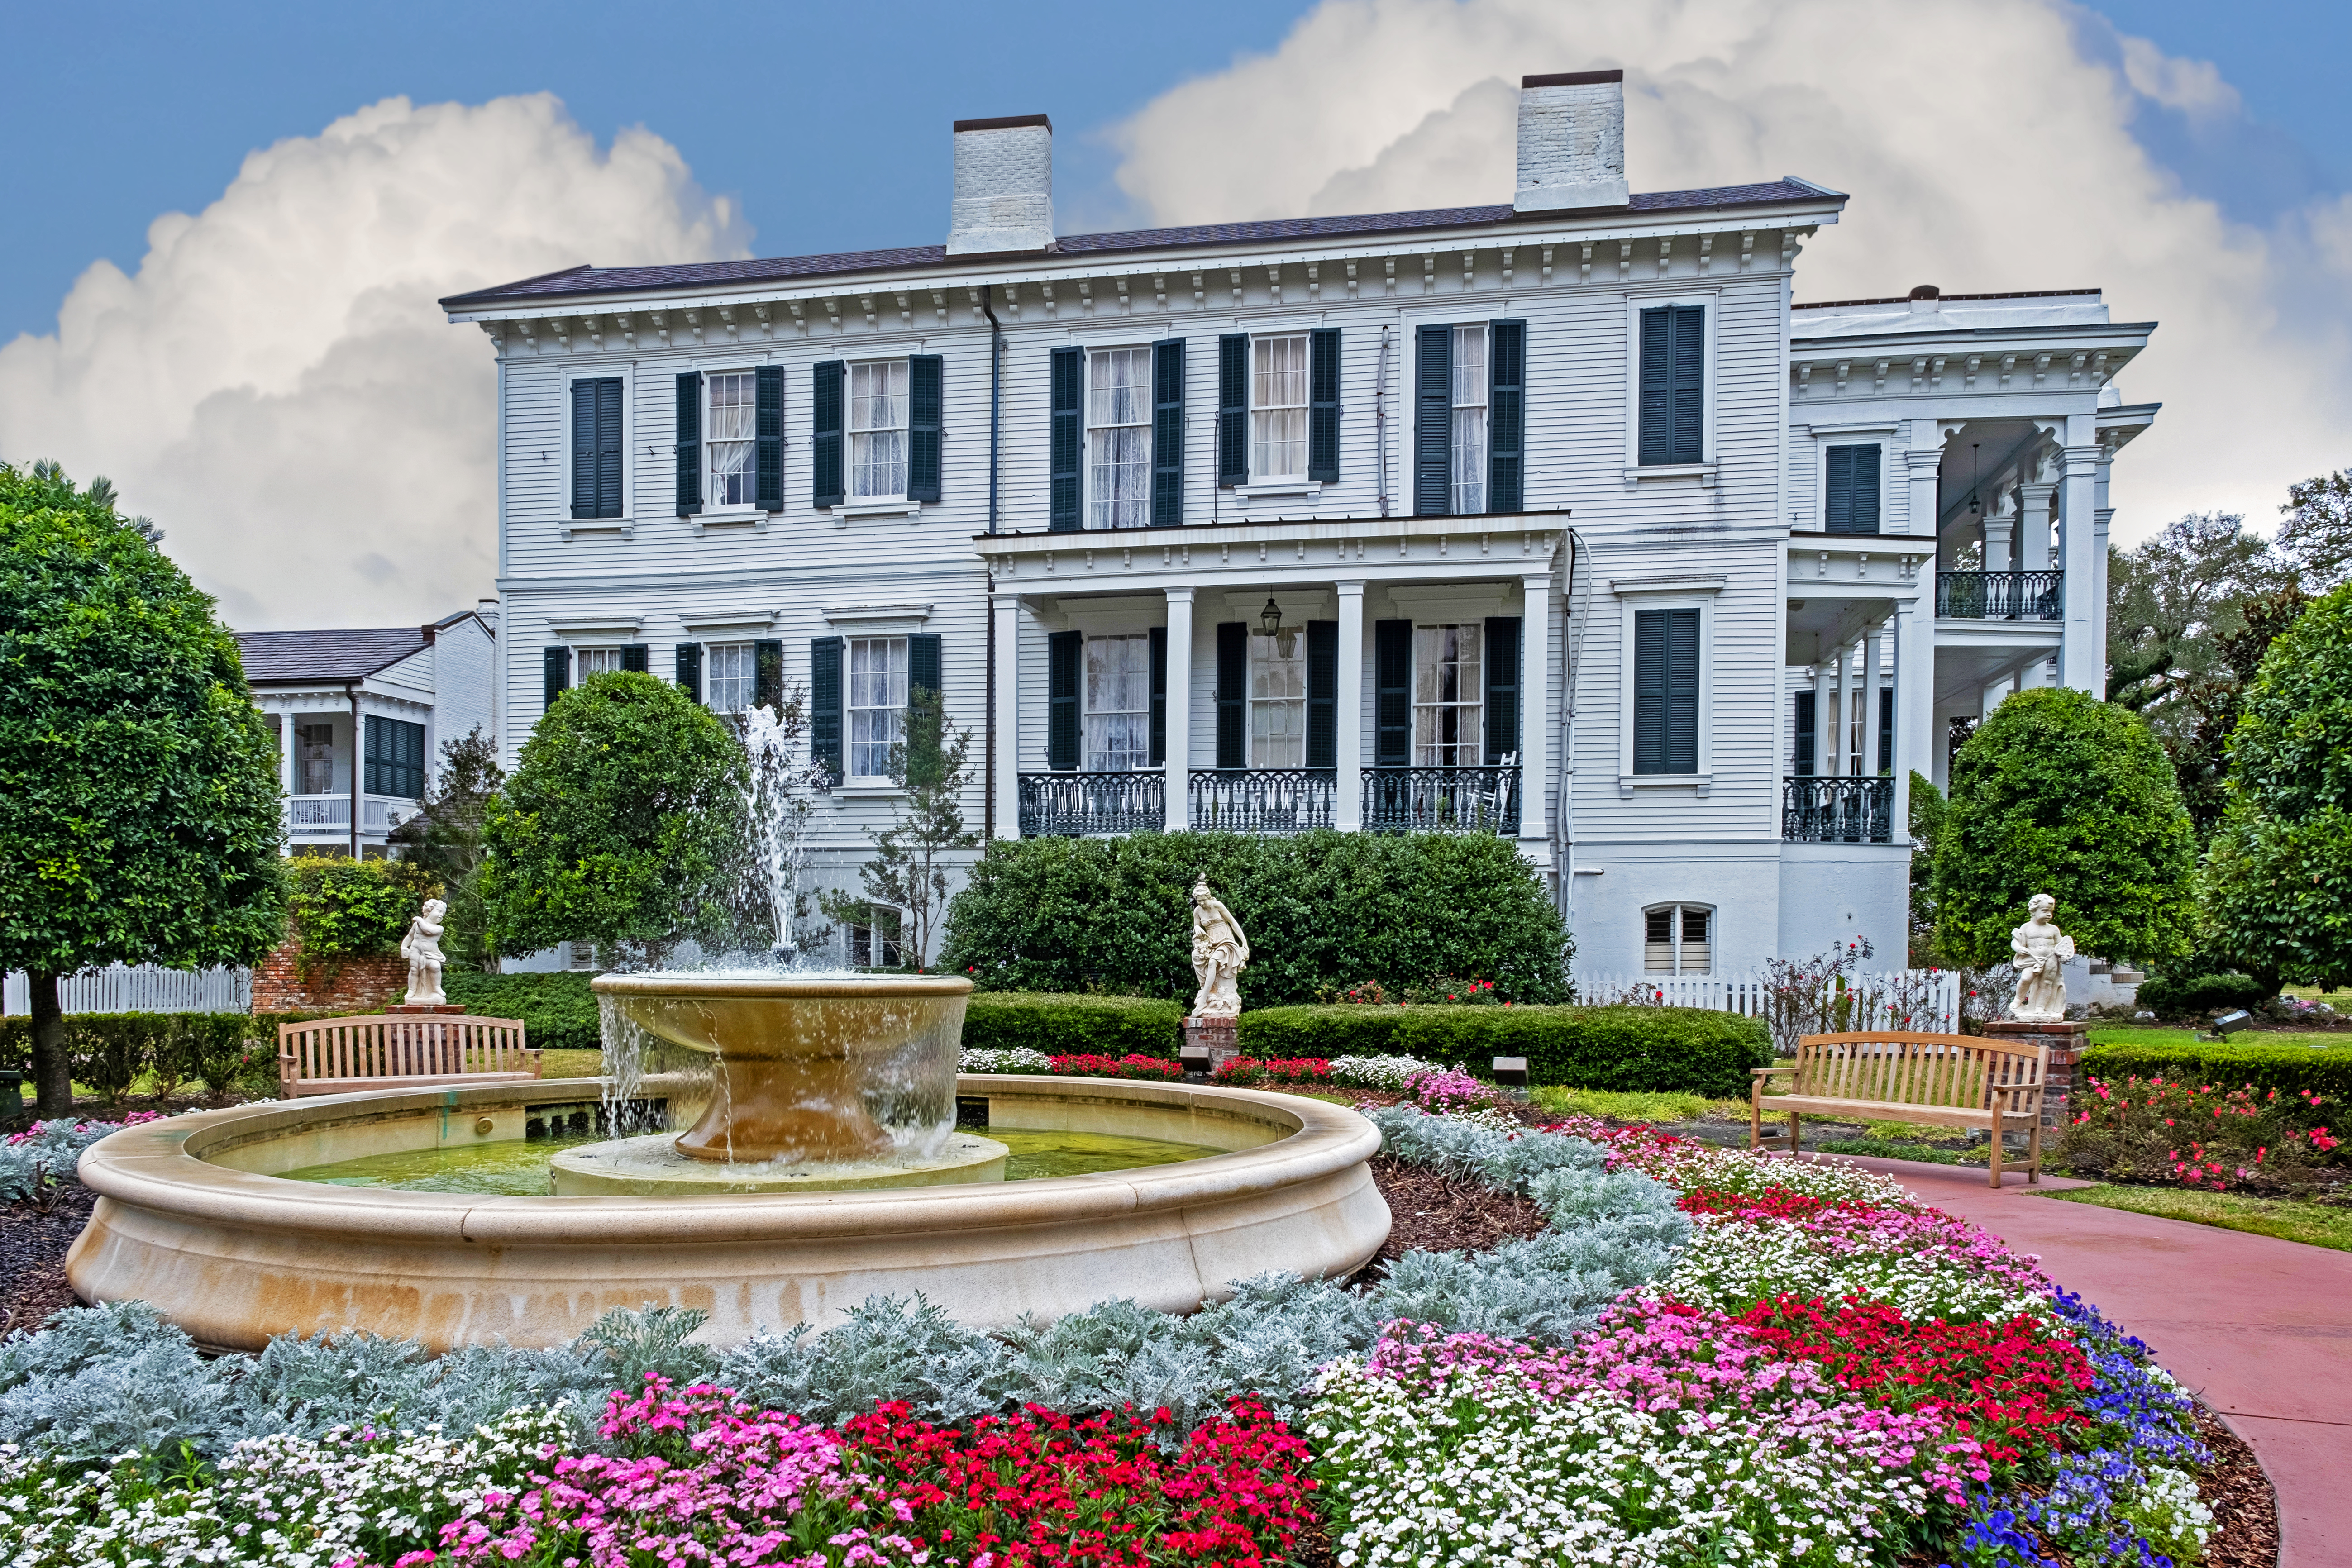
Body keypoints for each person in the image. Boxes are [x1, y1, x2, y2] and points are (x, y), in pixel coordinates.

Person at [1188, 877, 1250, 1019]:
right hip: (1210, 942)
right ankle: (1208, 989)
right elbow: (1196, 927)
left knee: (1213, 962)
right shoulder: (1197, 911)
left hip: (1226, 940)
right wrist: (1198, 928)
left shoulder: (1218, 905)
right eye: (1199, 901)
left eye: (1204, 900)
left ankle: (1203, 1001)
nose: (1202, 903)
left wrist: (1244, 943)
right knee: (1195, 956)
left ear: (1208, 897)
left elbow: (1233, 923)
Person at [2007, 893, 2074, 1022]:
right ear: (2034, 911)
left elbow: (2062, 945)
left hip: (2051, 959)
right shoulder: (2026, 927)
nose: (2049, 914)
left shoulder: (2054, 929)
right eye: (2045, 911)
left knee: (2047, 983)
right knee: (2026, 978)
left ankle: (2040, 1008)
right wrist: (2019, 948)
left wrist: (2064, 956)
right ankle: (2018, 999)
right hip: (2032, 959)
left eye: (2051, 911)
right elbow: (2016, 942)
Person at [401, 898, 448, 1007]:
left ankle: (437, 987)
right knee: (414, 970)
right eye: (439, 912)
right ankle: (412, 990)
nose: (441, 915)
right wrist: (404, 947)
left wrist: (419, 919)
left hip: (431, 954)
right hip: (416, 950)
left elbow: (428, 930)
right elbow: (410, 936)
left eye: (443, 914)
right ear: (429, 911)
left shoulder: (439, 928)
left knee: (436, 967)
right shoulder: (417, 925)